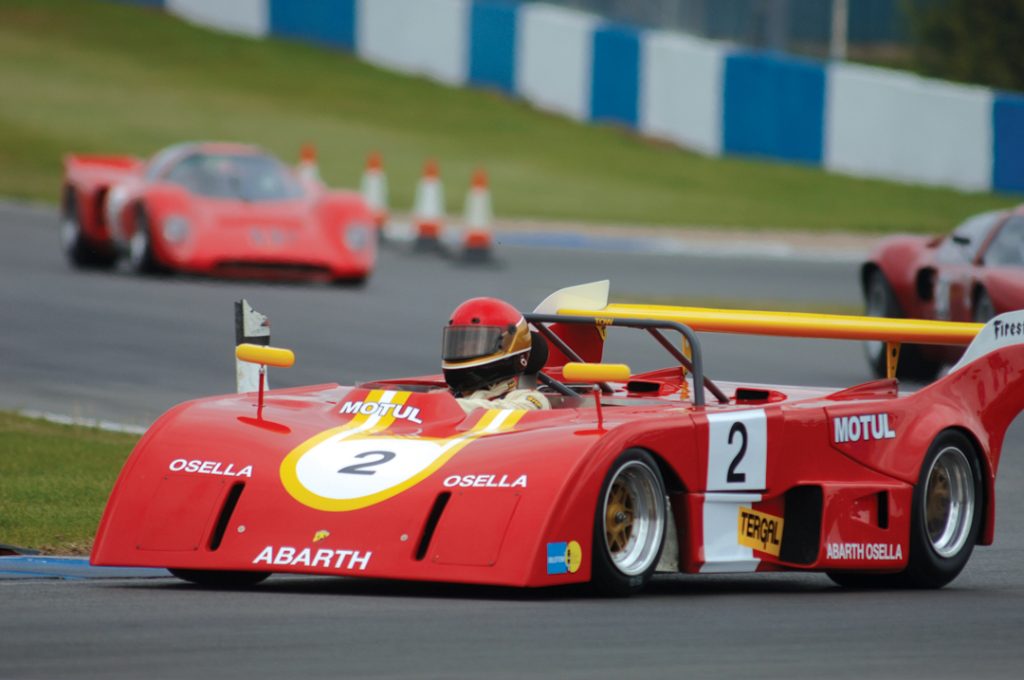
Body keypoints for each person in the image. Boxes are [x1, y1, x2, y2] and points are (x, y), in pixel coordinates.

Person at [442, 297, 551, 413]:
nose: (463, 351)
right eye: (459, 346)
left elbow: (499, 412)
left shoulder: (530, 399)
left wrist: (440, 406)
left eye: (474, 346)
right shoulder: (446, 394)